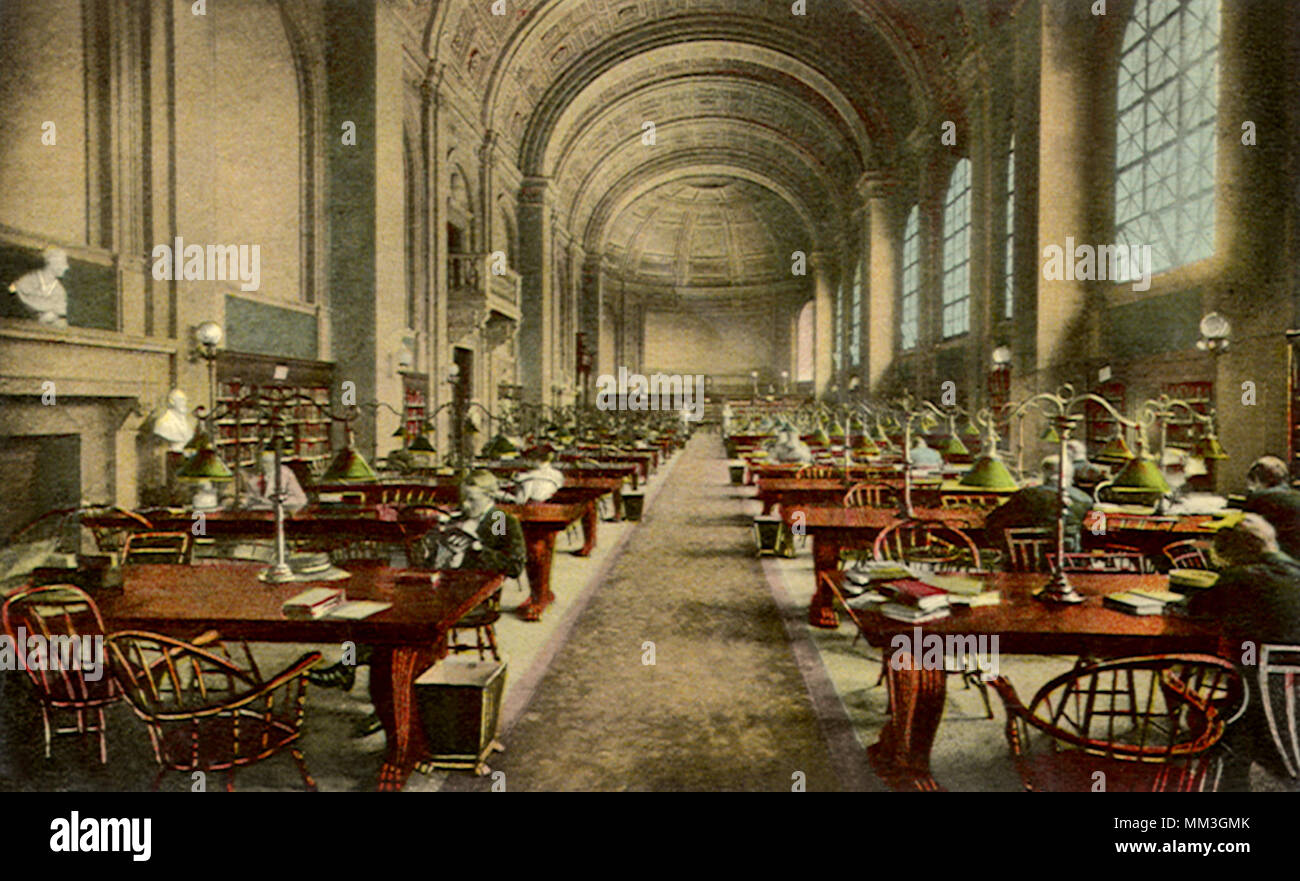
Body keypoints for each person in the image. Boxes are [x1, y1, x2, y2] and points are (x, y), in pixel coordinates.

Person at [309, 470, 525, 736]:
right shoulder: (455, 518)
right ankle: (356, 669)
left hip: (467, 597)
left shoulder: (499, 521)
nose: (464, 506)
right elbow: (426, 560)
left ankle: (383, 706)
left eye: (471, 500)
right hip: (432, 587)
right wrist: (433, 540)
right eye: (462, 499)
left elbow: (514, 565)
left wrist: (476, 549)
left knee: (394, 636)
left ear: (490, 497)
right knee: (371, 615)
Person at [1186, 514, 1300, 790]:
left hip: (1264, 686)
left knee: (1231, 721)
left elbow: (1198, 609)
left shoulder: (1242, 577)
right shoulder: (1295, 570)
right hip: (1290, 687)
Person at [984, 455, 1094, 553]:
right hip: (1070, 560)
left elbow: (993, 520)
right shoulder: (1086, 499)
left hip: (1025, 561)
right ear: (1070, 475)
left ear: (1044, 473)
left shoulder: (1025, 495)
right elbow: (1098, 532)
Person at [1242, 456, 1300, 560]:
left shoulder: (1259, 497)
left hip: (1280, 554)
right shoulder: (1296, 495)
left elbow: (1246, 528)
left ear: (1256, 478)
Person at [8, 247, 69, 326]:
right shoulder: (28, 280)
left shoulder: (60, 291)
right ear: (53, 263)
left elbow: (60, 315)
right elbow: (11, 291)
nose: (66, 267)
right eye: (63, 263)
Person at [241, 450, 308, 512]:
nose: (264, 466)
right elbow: (252, 495)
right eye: (262, 463)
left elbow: (300, 500)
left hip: (288, 507)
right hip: (266, 508)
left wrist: (277, 500)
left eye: (267, 463)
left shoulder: (284, 473)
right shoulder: (257, 475)